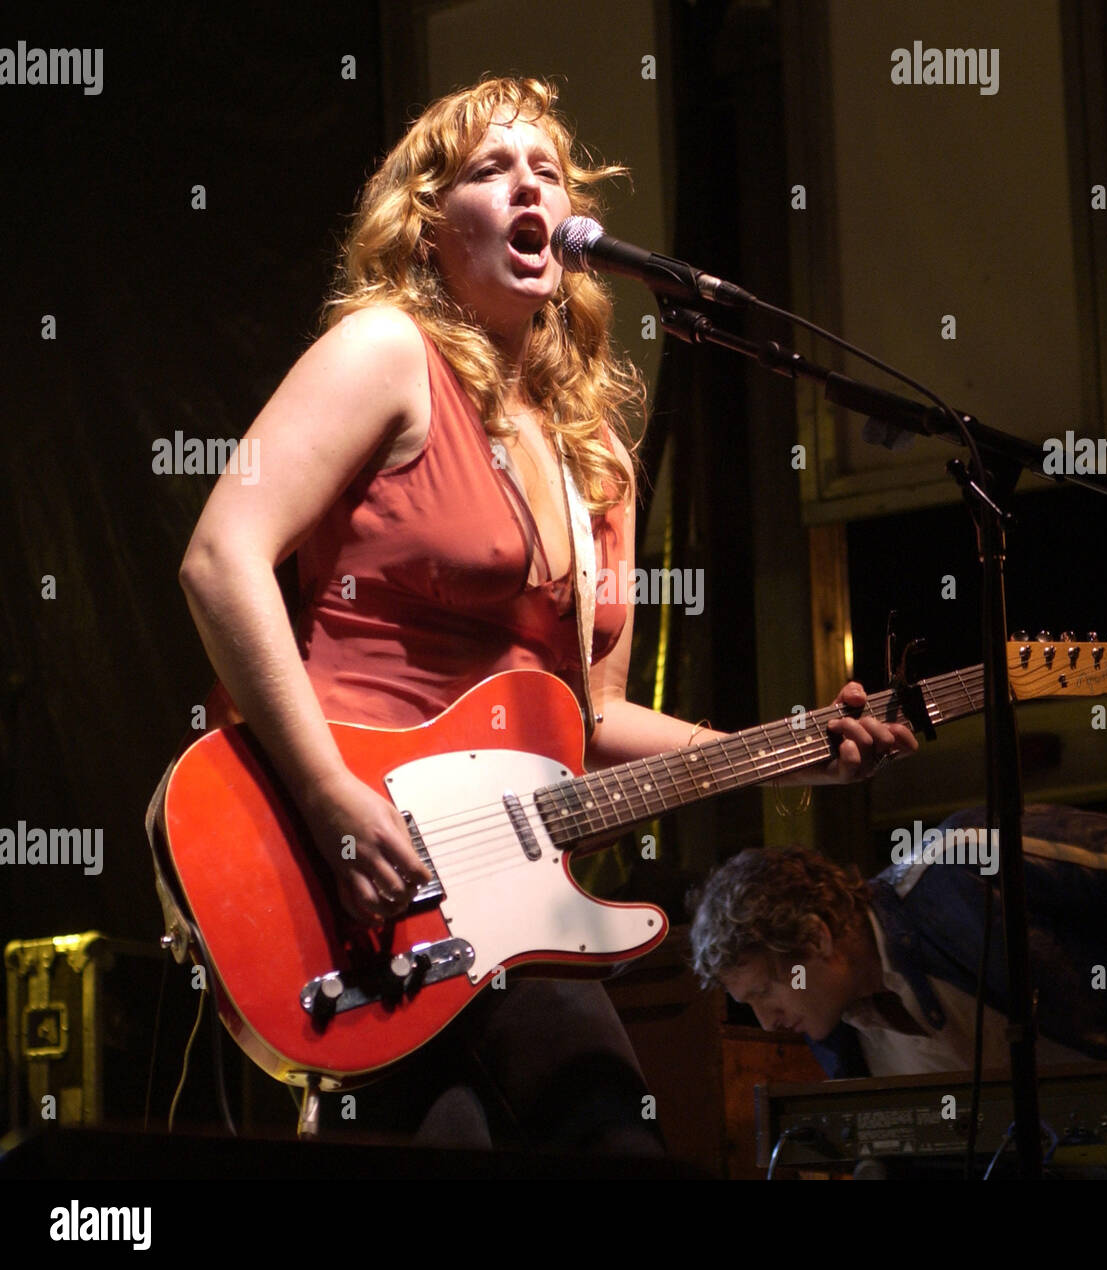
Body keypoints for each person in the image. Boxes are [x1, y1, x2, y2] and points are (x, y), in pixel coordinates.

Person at [174, 75, 917, 1153]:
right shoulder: (385, 353)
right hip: (342, 862)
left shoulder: (595, 457)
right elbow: (219, 556)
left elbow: (590, 721)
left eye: (549, 170)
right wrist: (332, 795)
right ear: (427, 227)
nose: (531, 186)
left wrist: (796, 753)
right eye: (490, 170)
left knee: (613, 1146)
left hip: (499, 892)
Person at [690, 803, 1107, 1081]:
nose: (766, 1022)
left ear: (818, 938)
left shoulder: (962, 864)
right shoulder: (841, 1042)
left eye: (767, 990)